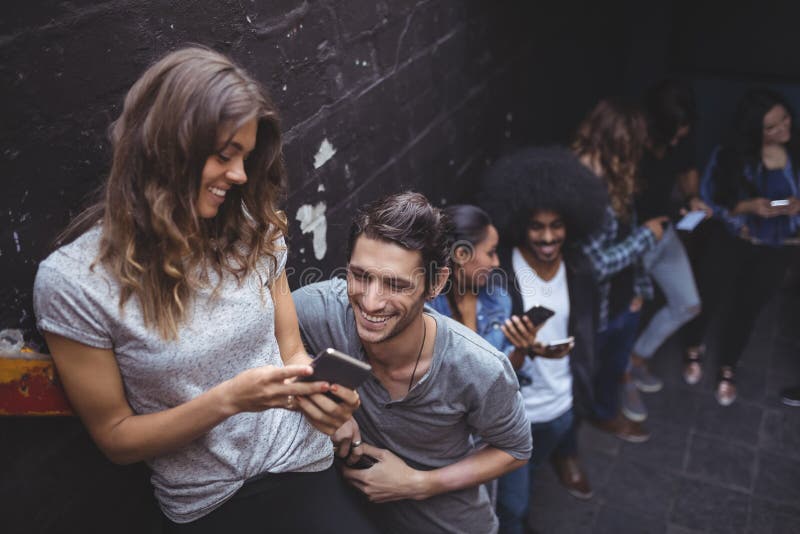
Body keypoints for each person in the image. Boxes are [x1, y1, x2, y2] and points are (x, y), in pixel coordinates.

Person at [32, 46, 375, 533]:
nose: (238, 176)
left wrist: (320, 394)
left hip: (303, 462)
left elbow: (290, 347)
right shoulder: (74, 282)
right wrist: (229, 400)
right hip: (209, 502)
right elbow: (116, 439)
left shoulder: (255, 230)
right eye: (224, 155)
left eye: (246, 158)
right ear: (168, 149)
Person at [292, 192, 532, 534]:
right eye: (360, 276)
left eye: (396, 285)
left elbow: (517, 450)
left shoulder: (480, 368)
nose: (371, 302)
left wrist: (418, 483)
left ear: (435, 283)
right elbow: (265, 339)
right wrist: (320, 403)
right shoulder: (320, 311)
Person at [478, 146, 606, 534]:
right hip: (517, 415)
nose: (548, 237)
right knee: (513, 508)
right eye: (537, 226)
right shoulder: (500, 275)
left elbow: (588, 336)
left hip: (562, 408)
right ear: (520, 223)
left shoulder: (580, 270)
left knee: (530, 477)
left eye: (556, 226)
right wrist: (514, 346)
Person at [572, 99, 667, 441]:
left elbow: (624, 231)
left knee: (612, 367)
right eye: (635, 143)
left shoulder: (614, 173)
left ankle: (605, 414)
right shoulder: (586, 188)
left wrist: (638, 288)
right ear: (620, 142)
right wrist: (647, 237)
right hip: (593, 307)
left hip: (623, 298)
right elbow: (593, 265)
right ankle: (569, 443)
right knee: (583, 374)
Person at [699, 88, 800, 406]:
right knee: (709, 296)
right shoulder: (730, 156)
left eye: (785, 118)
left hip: (778, 246)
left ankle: (728, 365)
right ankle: (692, 348)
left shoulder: (795, 152)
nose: (784, 128)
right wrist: (747, 207)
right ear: (753, 130)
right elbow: (710, 199)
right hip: (735, 241)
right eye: (771, 127)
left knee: (749, 307)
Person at [623, 80, 703, 418]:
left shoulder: (679, 144)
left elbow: (688, 180)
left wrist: (694, 200)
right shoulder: (632, 148)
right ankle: (621, 377)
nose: (681, 135)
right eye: (676, 129)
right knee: (627, 312)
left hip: (666, 233)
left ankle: (636, 359)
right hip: (633, 242)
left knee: (687, 304)